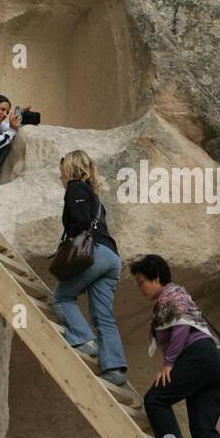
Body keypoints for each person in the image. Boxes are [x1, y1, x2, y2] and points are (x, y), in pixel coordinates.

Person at [130, 254, 220, 438]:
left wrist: (169, 362)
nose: (139, 287)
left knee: (155, 400)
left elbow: (182, 325)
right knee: (203, 427)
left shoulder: (172, 295)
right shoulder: (173, 298)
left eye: (141, 281)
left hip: (199, 357)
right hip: (213, 363)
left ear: (156, 278)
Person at [51, 151, 128, 388]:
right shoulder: (95, 196)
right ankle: (114, 369)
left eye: (62, 169)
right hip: (111, 257)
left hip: (95, 254)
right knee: (103, 316)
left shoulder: (75, 189)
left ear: (70, 169)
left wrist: (70, 248)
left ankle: (84, 340)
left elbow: (81, 222)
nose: (60, 174)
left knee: (62, 297)